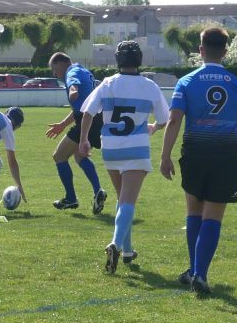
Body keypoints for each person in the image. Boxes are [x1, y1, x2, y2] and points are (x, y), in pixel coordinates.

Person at [159, 26, 237, 295]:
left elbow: (175, 119)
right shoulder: (235, 83)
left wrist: (165, 156)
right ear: (225, 52)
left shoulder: (186, 82)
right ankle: (199, 273)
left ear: (200, 50)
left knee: (193, 211)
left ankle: (194, 270)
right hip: (225, 155)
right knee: (213, 215)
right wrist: (233, 147)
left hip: (194, 153)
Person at [79, 40, 170, 275]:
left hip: (110, 147)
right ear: (139, 61)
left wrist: (84, 140)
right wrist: (153, 128)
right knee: (128, 201)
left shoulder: (107, 83)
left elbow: (88, 112)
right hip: (136, 146)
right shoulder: (149, 86)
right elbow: (164, 118)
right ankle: (116, 244)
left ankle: (128, 251)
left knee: (122, 199)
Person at [44, 52, 107, 214]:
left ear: (61, 63)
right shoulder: (84, 71)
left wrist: (72, 91)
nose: (54, 73)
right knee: (80, 156)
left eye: (54, 69)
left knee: (59, 156)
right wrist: (63, 124)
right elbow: (83, 105)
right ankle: (98, 191)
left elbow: (74, 87)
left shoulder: (71, 73)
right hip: (95, 119)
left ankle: (71, 199)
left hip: (85, 122)